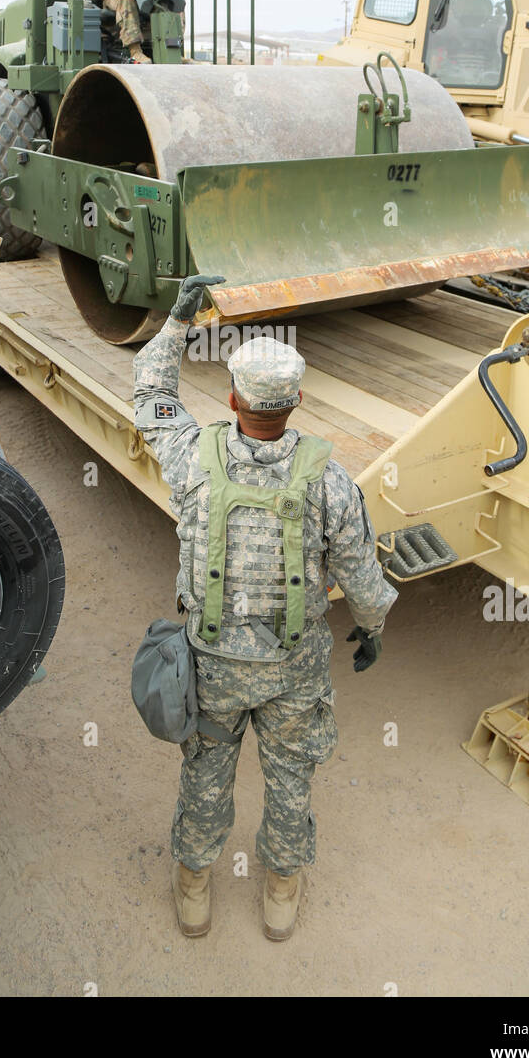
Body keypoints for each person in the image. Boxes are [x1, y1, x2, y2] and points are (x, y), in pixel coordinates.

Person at [132, 275, 398, 941]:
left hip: (212, 665)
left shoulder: (194, 457)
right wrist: (371, 629)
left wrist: (176, 322)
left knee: (206, 773)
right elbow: (361, 576)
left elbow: (151, 394)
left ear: (231, 400)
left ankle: (194, 887)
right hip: (292, 668)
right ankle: (281, 891)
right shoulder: (330, 480)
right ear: (296, 402)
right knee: (290, 779)